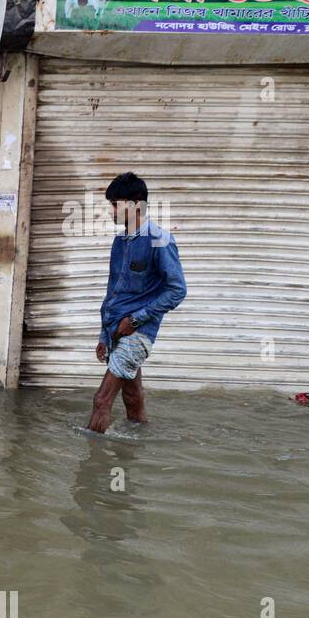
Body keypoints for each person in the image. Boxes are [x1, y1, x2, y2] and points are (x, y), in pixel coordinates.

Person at [88, 172, 187, 434]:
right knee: (132, 399)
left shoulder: (160, 239)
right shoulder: (119, 242)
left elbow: (177, 290)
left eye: (114, 204)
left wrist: (136, 319)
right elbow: (113, 293)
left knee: (101, 400)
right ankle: (140, 447)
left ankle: (91, 464)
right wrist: (104, 334)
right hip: (117, 330)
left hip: (138, 333)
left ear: (134, 205)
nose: (111, 211)